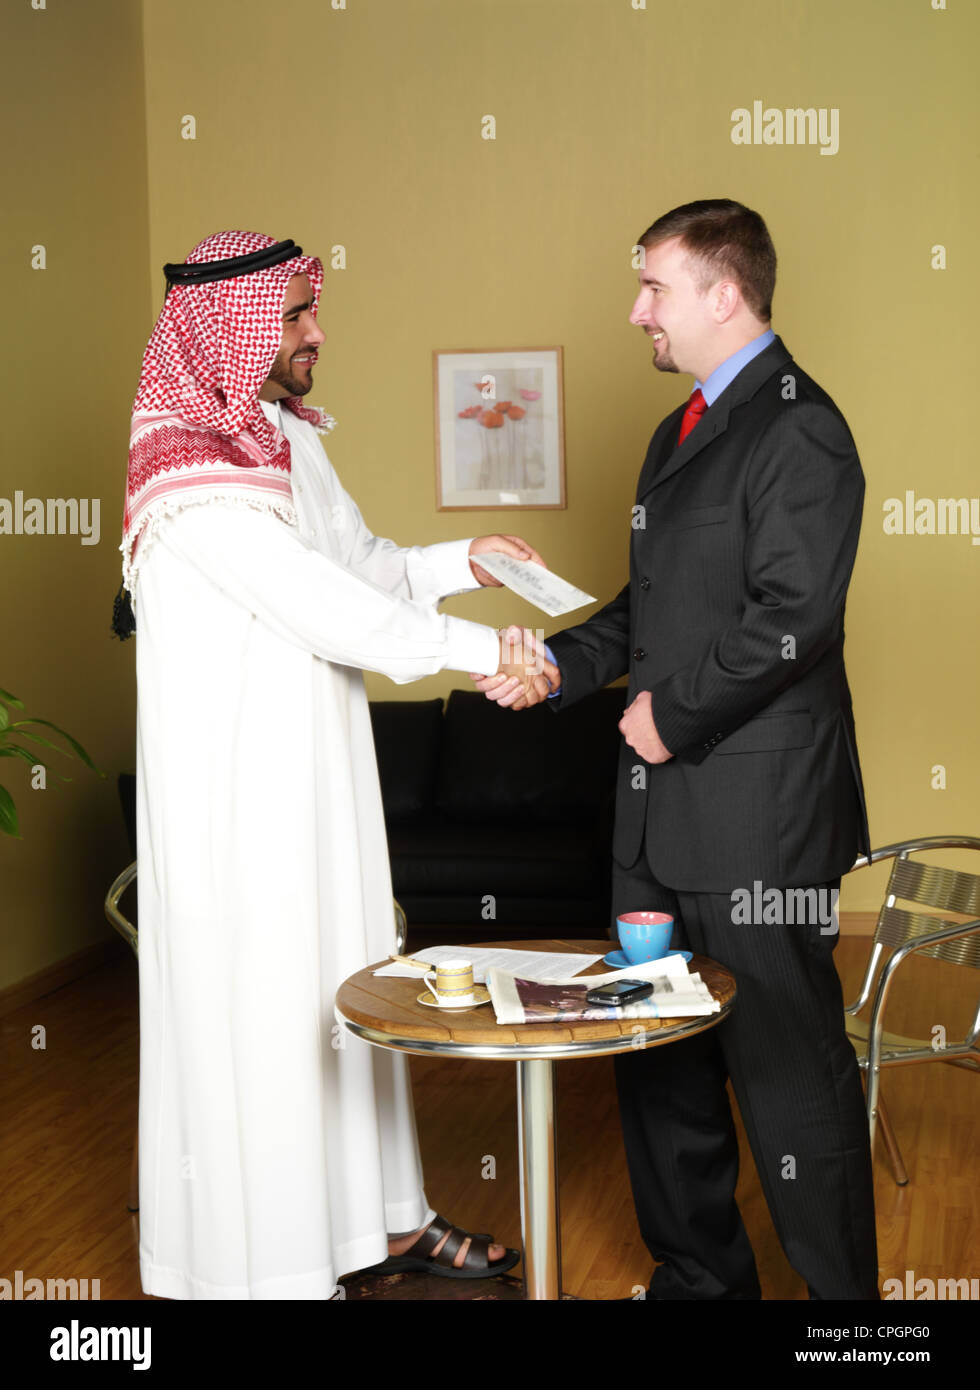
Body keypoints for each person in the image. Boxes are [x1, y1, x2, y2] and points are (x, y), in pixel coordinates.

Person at [113, 229, 558, 1299]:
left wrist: (468, 562)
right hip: (242, 815)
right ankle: (267, 1269)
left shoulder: (281, 438)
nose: (318, 333)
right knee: (265, 1024)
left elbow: (359, 567)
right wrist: (480, 654)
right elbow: (321, 605)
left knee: (346, 1006)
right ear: (232, 328)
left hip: (320, 796)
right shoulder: (185, 475)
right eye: (297, 315)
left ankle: (379, 1228)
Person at [472, 200, 879, 1300]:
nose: (634, 310)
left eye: (652, 286)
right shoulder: (677, 432)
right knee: (659, 1068)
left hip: (758, 825)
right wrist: (558, 665)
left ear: (722, 292)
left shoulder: (802, 425)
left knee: (790, 1079)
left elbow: (795, 614)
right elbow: (646, 612)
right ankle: (698, 1283)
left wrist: (668, 712)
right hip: (653, 825)